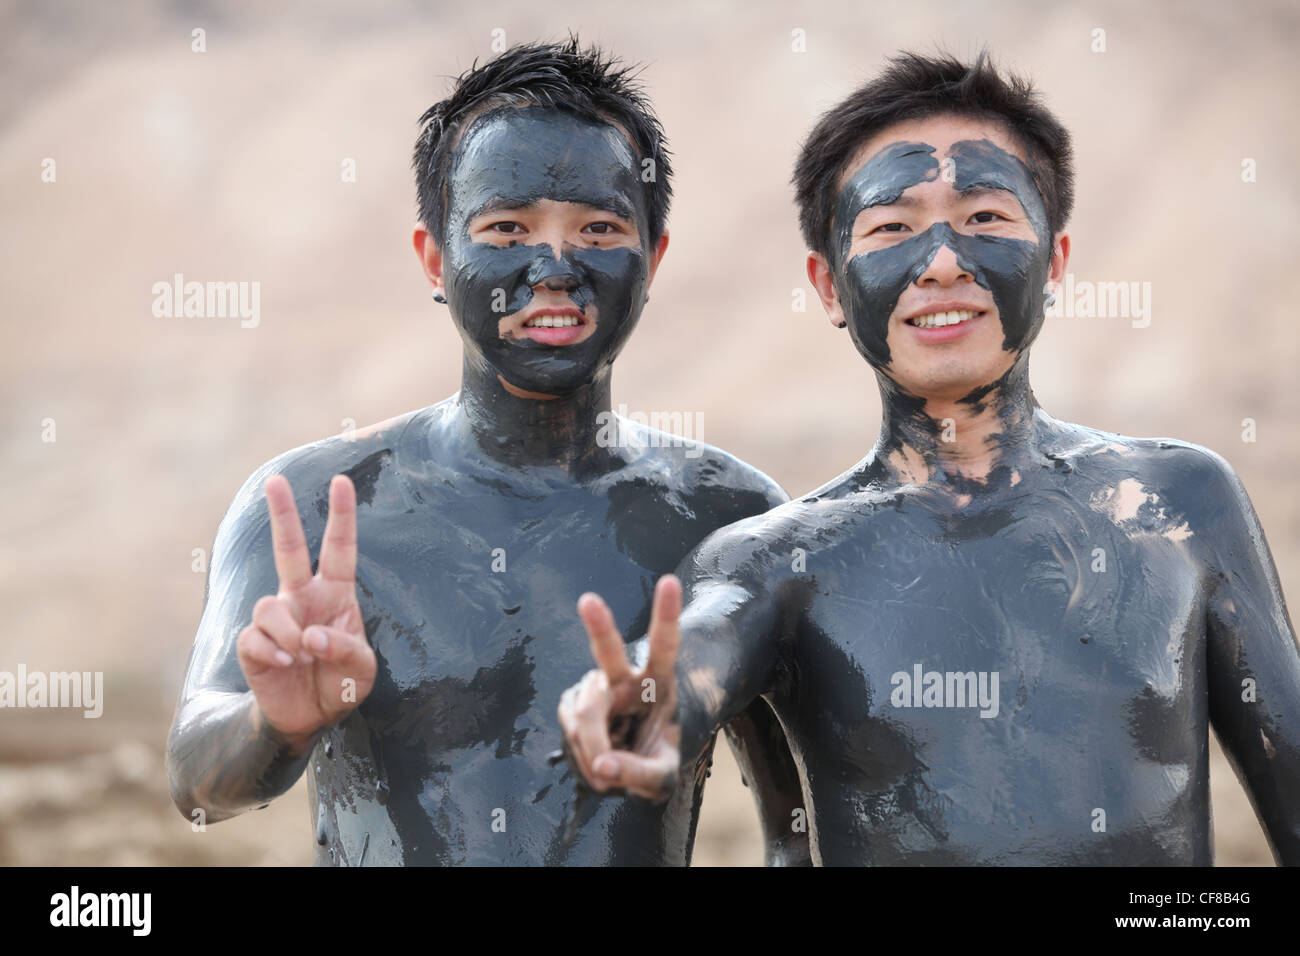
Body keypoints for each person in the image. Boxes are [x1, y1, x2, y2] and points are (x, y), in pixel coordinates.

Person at [557, 51, 1300, 865]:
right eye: (891, 229)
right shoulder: (780, 561)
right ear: (832, 286)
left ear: (1053, 261)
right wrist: (641, 710)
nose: (943, 261)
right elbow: (694, 659)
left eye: (985, 218)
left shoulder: (1178, 503)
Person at [166, 37, 808, 866]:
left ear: (653, 259)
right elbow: (196, 784)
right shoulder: (317, 508)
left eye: (599, 228)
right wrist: (273, 725)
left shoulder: (733, 520)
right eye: (507, 228)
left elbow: (797, 828)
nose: (553, 267)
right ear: (435, 257)